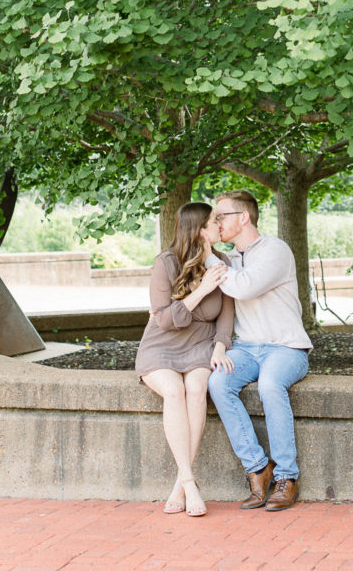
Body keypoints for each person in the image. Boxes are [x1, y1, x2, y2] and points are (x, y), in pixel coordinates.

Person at [207, 189, 312, 512]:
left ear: (244, 217)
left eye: (220, 216)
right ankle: (257, 467)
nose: (215, 222)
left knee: (269, 384)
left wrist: (206, 252)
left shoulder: (275, 250)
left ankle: (286, 477)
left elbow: (245, 286)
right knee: (218, 383)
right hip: (247, 348)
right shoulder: (230, 259)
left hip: (286, 347)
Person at [134, 200, 233, 517]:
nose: (220, 225)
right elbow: (163, 319)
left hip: (201, 344)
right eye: (215, 222)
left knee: (195, 390)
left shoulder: (224, 261)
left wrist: (221, 345)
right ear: (201, 230)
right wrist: (202, 289)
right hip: (162, 344)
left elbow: (227, 314)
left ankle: (180, 484)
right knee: (174, 392)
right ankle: (190, 483)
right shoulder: (166, 263)